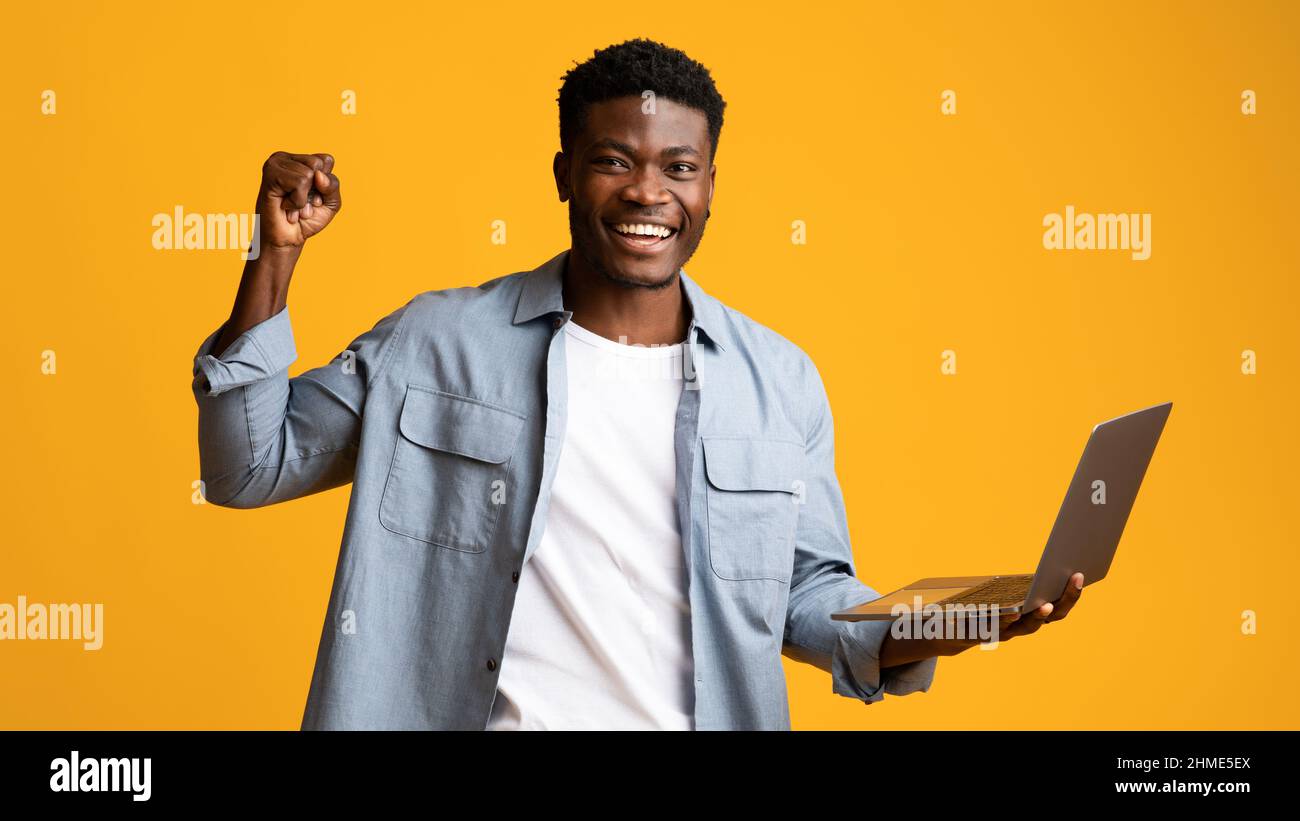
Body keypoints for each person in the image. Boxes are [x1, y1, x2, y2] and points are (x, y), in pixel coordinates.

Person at [192, 38, 1082, 731]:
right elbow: (247, 467)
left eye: (678, 167)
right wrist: (274, 257)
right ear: (564, 175)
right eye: (614, 160)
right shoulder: (434, 340)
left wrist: (952, 623)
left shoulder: (779, 382)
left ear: (709, 186)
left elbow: (807, 602)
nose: (647, 193)